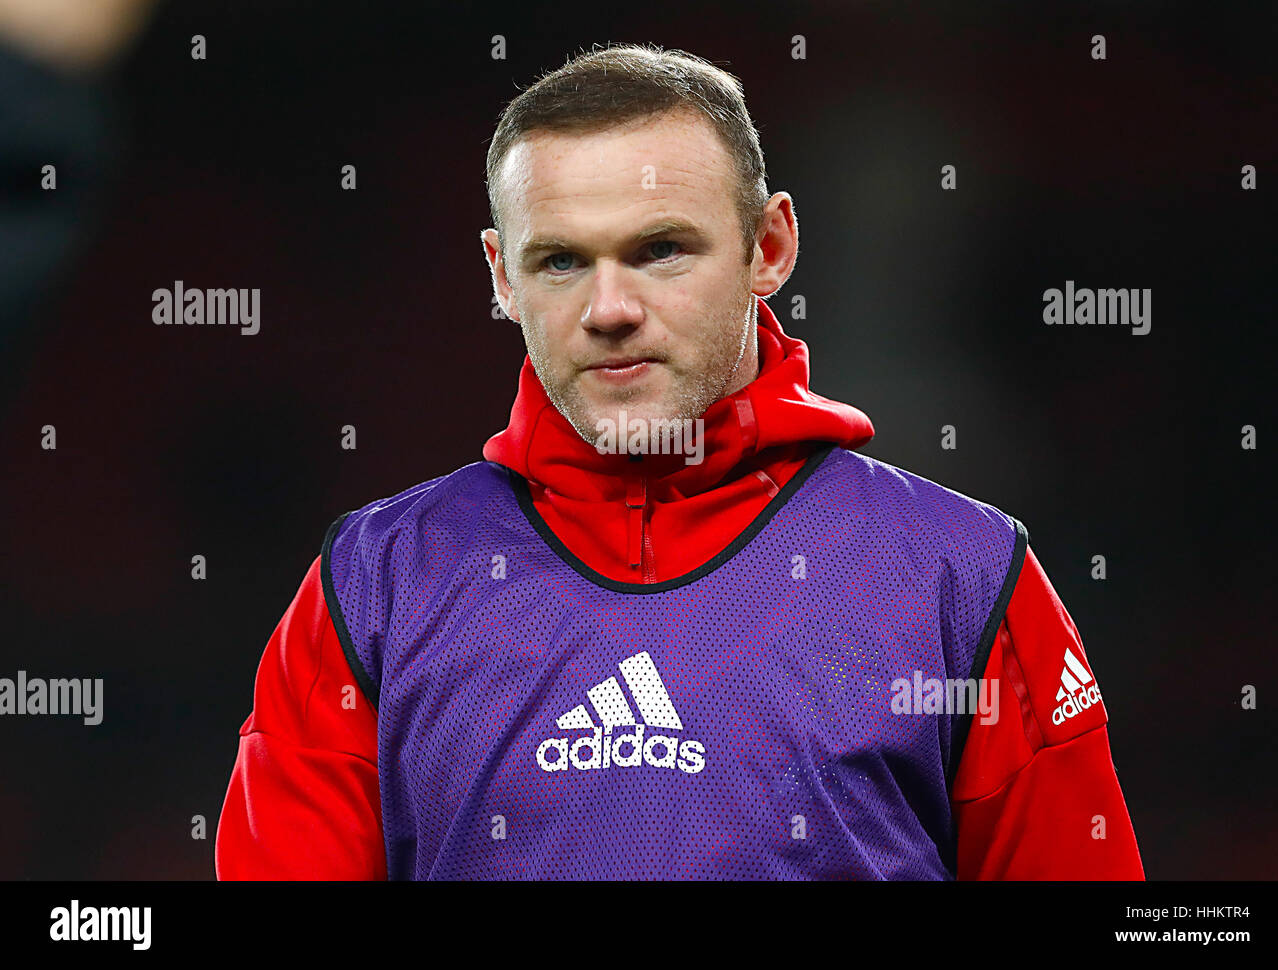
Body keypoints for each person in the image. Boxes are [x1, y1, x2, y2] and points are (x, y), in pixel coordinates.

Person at [216, 43, 1143, 880]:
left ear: (768, 247)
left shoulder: (962, 576)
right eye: (562, 262)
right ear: (502, 277)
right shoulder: (377, 587)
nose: (609, 306)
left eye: (660, 250)